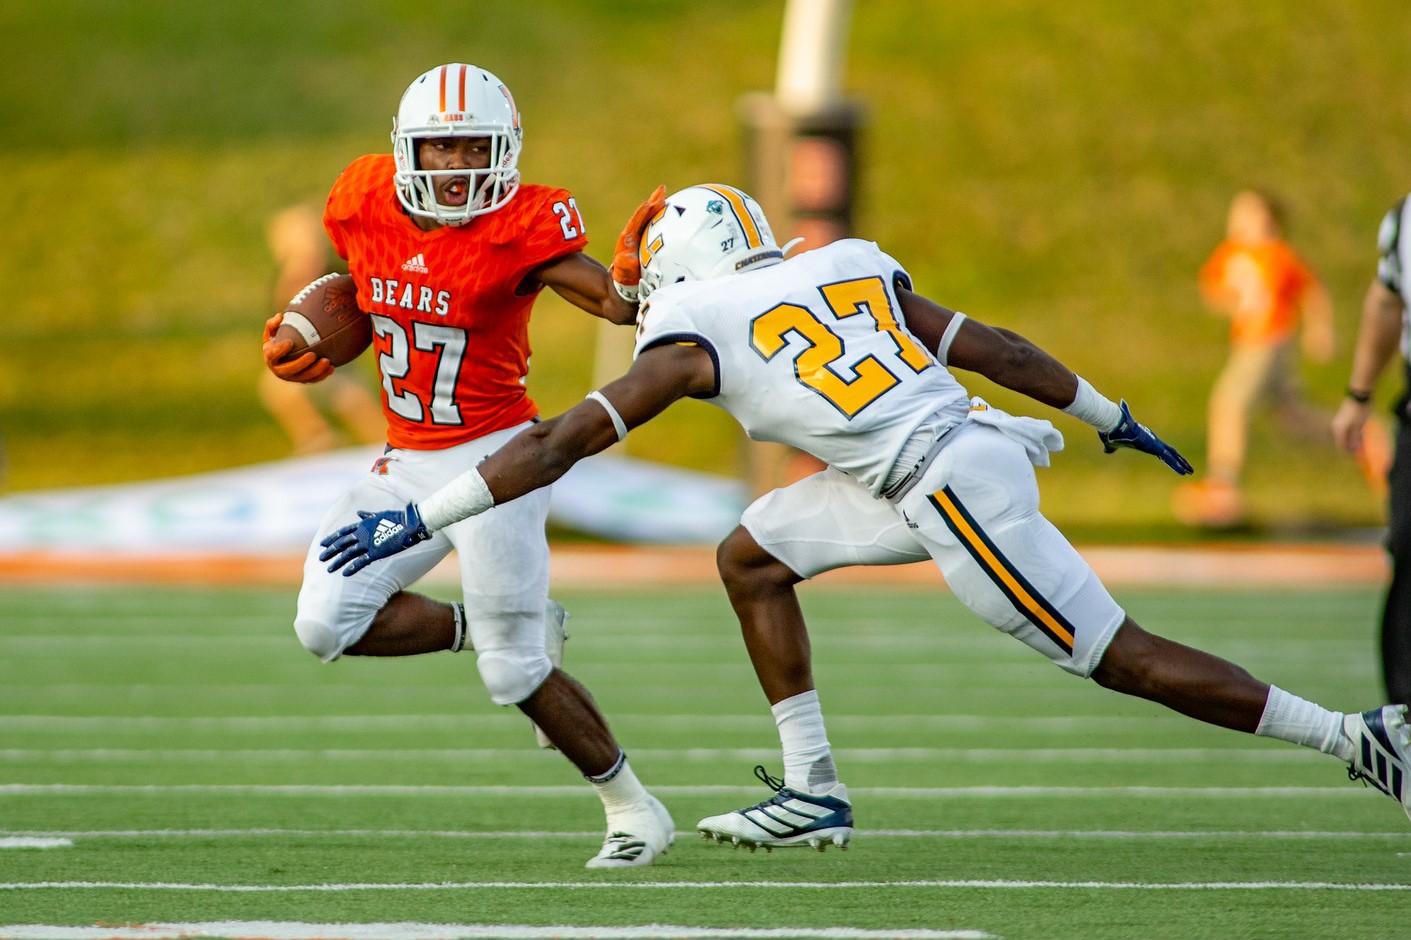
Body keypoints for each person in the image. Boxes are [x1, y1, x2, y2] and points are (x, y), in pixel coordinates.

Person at [320, 182, 1411, 853]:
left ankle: (1354, 738)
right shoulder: (841, 264)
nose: (637, 275)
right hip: (940, 456)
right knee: (750, 555)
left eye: (650, 255)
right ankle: (813, 790)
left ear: (683, 259)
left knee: (1118, 656)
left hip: (945, 485)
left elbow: (557, 442)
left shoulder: (693, 329)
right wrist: (1106, 414)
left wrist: (421, 515)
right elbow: (998, 349)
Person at [258, 63, 674, 868]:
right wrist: (310, 330)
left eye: (473, 148)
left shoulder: (522, 225)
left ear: (504, 149)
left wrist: (630, 277)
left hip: (498, 460)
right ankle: (480, 627)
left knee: (512, 674)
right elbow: (361, 288)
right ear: (407, 150)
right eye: (441, 148)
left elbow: (612, 306)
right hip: (405, 458)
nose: (456, 166)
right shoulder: (360, 200)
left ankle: (633, 809)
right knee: (324, 624)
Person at [1173, 189, 1337, 527]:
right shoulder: (1232, 252)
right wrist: (1228, 300)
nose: (1236, 219)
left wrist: (1320, 329)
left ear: (1267, 218)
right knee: (1292, 418)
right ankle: (1358, 436)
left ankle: (1222, 490)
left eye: (1246, 212)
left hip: (1269, 341)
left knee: (1228, 403)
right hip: (1248, 342)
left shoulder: (1277, 254)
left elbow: (1311, 289)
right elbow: (1212, 286)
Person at [1333, 193, 1411, 707]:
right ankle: (1406, 717)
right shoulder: (1404, 218)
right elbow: (1386, 301)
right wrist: (1359, 395)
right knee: (1408, 547)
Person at [259, 202, 385, 455]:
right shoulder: (289, 277)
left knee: (352, 401)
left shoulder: (327, 274)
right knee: (279, 392)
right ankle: (317, 437)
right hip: (311, 351)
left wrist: (307, 260)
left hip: (333, 352)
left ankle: (382, 445)